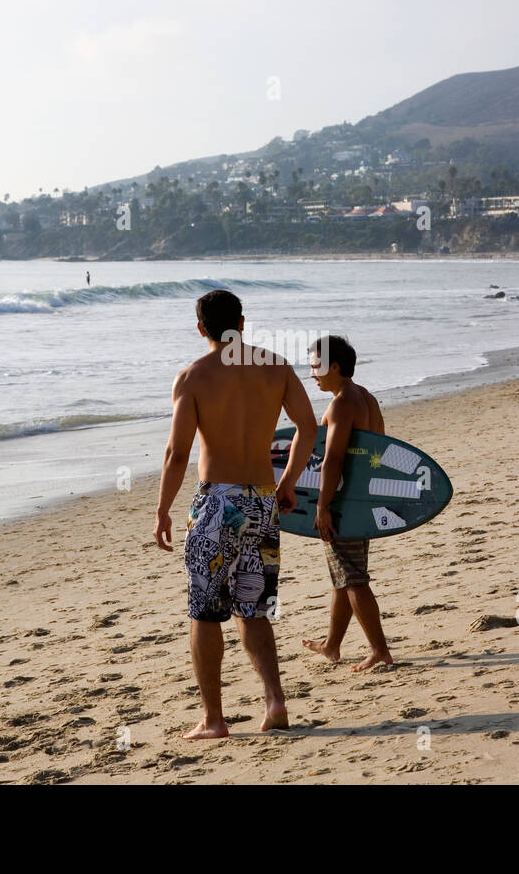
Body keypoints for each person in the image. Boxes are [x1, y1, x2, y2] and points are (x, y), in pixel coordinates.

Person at [155, 289, 317, 740]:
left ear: (201, 328)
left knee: (205, 612)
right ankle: (276, 701)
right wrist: (286, 484)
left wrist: (163, 510)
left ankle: (213, 719)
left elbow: (177, 453)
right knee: (254, 607)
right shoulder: (276, 367)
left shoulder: (192, 378)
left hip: (216, 503)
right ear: (242, 323)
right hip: (262, 497)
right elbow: (308, 427)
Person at [300, 336, 393, 672]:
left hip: (343, 503)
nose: (312, 374)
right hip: (361, 498)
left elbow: (334, 457)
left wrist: (323, 506)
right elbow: (377, 449)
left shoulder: (341, 404)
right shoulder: (365, 397)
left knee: (353, 578)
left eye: (315, 366)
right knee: (345, 574)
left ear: (334, 366)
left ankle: (380, 651)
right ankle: (332, 644)